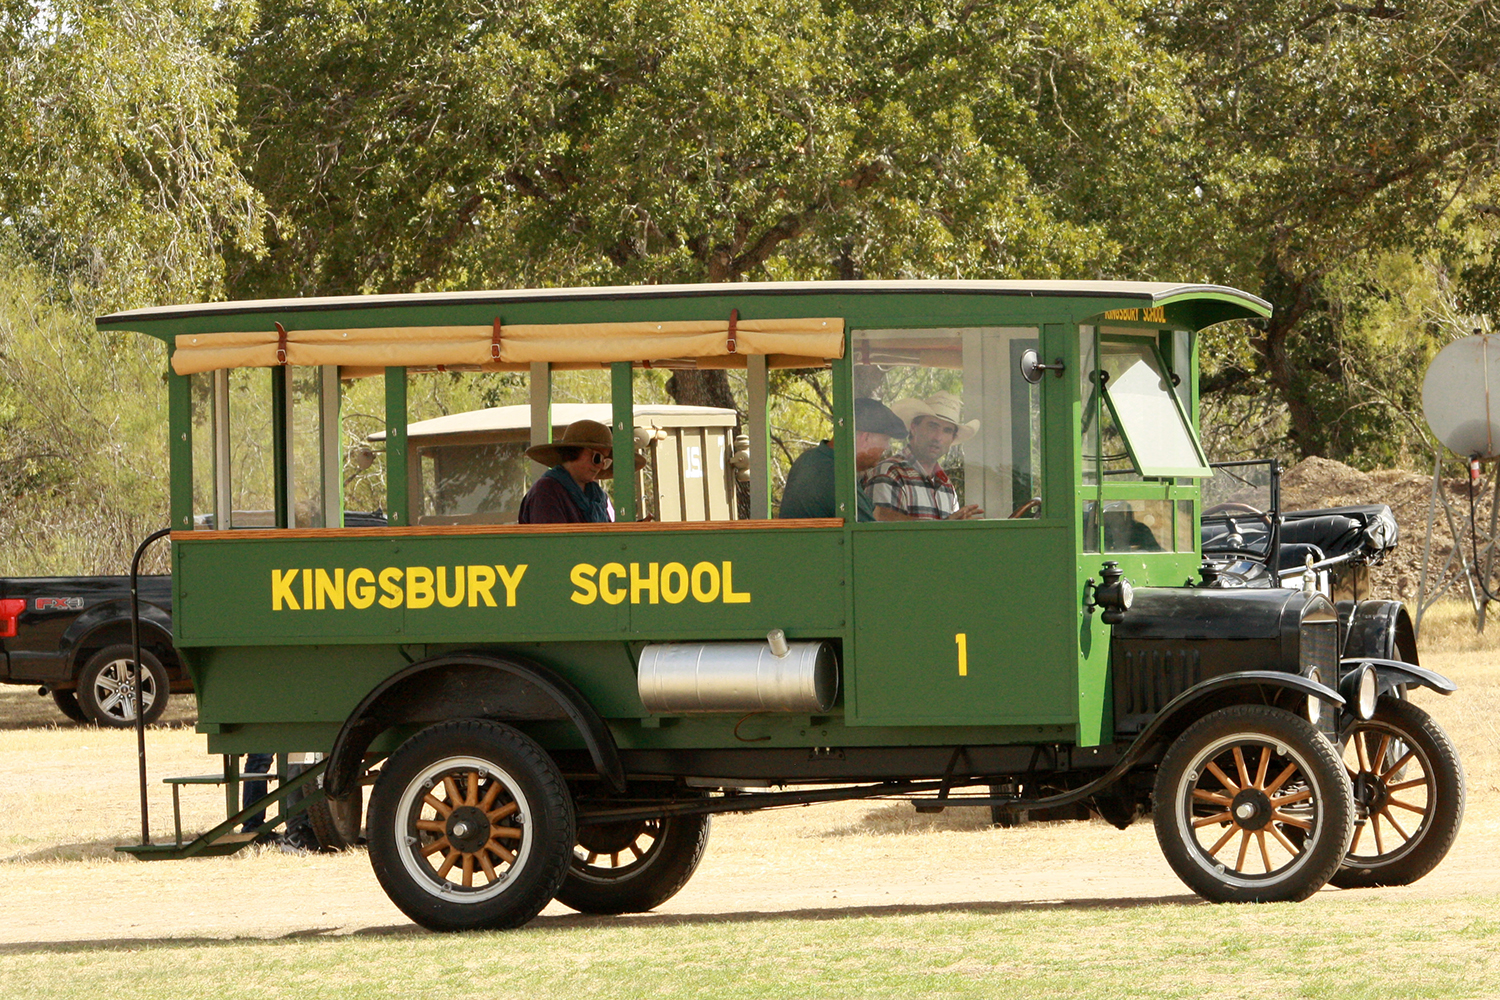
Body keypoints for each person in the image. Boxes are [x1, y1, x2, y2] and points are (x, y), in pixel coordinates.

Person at [778, 397, 909, 521]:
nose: (886, 447)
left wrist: (919, 524)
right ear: (866, 437)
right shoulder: (834, 474)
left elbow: (876, 513)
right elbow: (867, 533)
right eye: (885, 440)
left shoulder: (814, 460)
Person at [865, 391, 984, 520]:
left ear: (952, 438)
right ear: (913, 428)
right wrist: (946, 526)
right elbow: (883, 529)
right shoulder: (889, 473)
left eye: (947, 430)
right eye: (932, 426)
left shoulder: (946, 486)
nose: (938, 437)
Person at [519, 419, 635, 523]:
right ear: (574, 451)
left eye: (606, 461)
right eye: (597, 458)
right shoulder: (546, 491)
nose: (600, 466)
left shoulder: (599, 497)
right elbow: (551, 539)